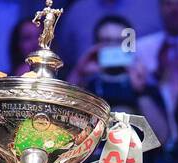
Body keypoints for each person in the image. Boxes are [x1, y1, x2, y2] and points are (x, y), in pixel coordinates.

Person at [67, 14, 171, 147]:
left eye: (120, 41)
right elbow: (64, 129)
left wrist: (141, 92)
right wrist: (78, 73)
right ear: (96, 45)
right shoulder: (87, 84)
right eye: (106, 40)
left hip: (138, 162)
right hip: (95, 162)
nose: (113, 46)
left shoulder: (144, 82)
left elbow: (162, 137)